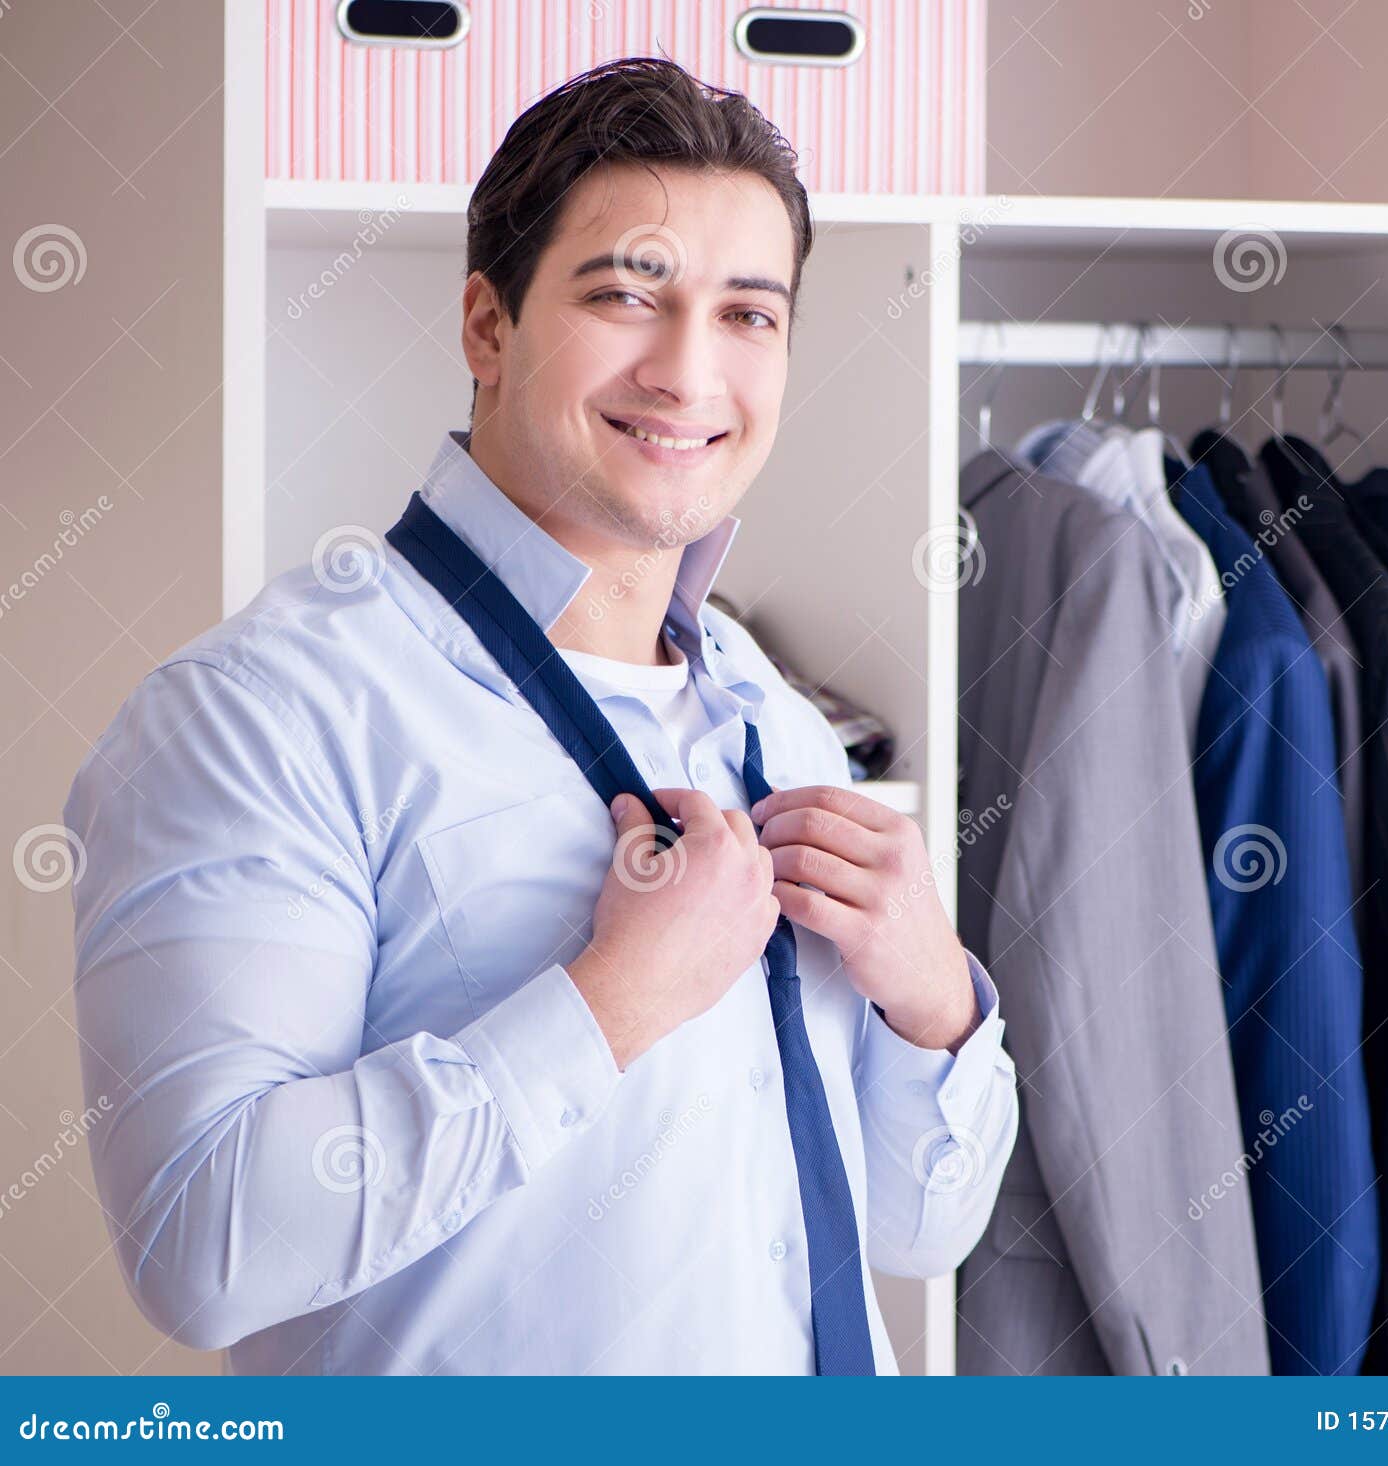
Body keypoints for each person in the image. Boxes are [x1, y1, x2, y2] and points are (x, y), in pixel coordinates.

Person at [62, 57, 1019, 1376]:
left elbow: (916, 1229)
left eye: (748, 314)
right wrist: (611, 1002)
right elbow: (200, 1246)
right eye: (627, 295)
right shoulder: (261, 716)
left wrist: (935, 1008)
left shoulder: (778, 726)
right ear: (487, 326)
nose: (689, 372)